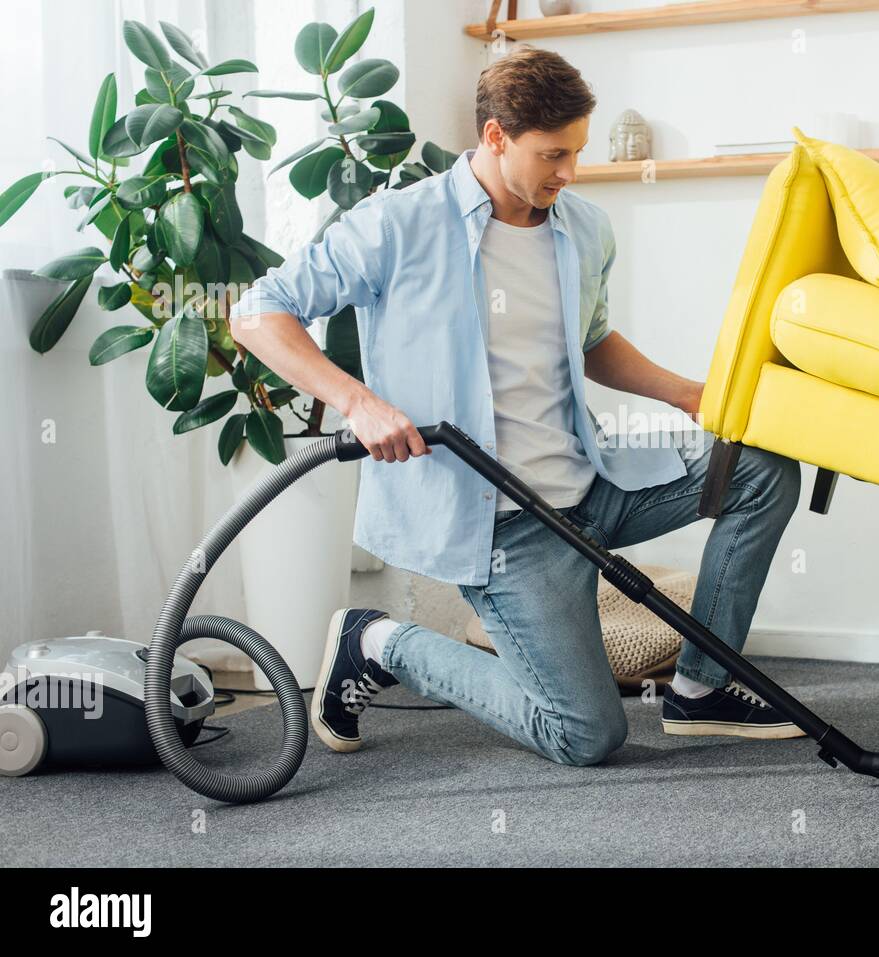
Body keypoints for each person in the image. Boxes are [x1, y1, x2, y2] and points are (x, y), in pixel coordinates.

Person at [227, 45, 802, 768]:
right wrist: (357, 402)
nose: (570, 172)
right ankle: (375, 640)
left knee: (763, 468)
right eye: (553, 154)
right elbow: (257, 313)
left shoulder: (584, 227)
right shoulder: (397, 225)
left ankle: (699, 688)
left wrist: (689, 393)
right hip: (504, 525)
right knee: (587, 733)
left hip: (594, 482)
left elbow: (589, 341)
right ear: (495, 136)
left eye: (578, 152)